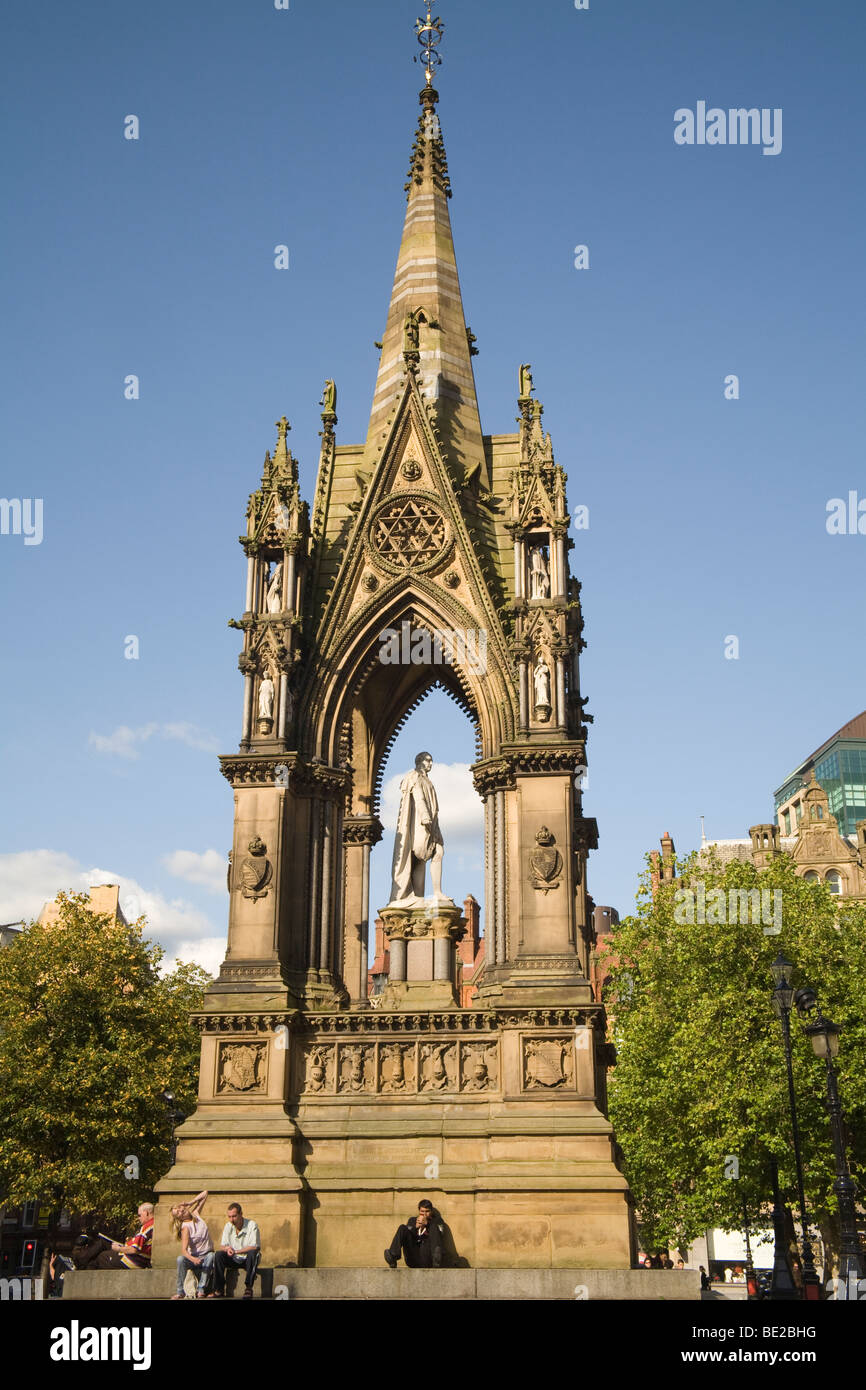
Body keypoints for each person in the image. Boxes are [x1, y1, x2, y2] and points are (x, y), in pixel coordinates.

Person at [211, 1202, 261, 1299]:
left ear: (241, 1214)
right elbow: (222, 1245)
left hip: (248, 1259)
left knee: (253, 1253)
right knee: (218, 1254)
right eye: (229, 1217)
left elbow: (255, 1246)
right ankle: (219, 1289)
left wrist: (237, 1251)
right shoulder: (228, 1226)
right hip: (233, 1259)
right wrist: (227, 1248)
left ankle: (248, 1288)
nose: (231, 1219)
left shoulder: (252, 1225)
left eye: (234, 1216)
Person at [171, 1190, 213, 1300]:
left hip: (206, 1256)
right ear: (179, 1218)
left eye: (180, 1208)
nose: (181, 1211)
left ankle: (201, 1289)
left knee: (211, 1256)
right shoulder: (185, 1227)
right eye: (178, 1212)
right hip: (193, 1258)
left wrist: (191, 1202)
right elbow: (184, 1251)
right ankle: (180, 1291)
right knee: (180, 1259)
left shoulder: (196, 1214)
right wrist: (193, 1259)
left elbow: (205, 1193)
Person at [384, 1200, 442, 1269]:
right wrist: (415, 1228)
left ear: (431, 1211)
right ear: (419, 1211)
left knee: (434, 1227)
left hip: (428, 1258)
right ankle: (393, 1257)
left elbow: (440, 1234)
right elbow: (408, 1237)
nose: (424, 1214)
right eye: (422, 1211)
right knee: (402, 1227)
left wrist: (428, 1224)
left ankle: (436, 1261)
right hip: (413, 1258)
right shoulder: (412, 1220)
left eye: (427, 1211)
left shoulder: (436, 1222)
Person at [110, 1202, 154, 1270]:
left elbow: (134, 1249)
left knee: (101, 1257)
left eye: (139, 1215)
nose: (138, 1218)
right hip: (139, 1259)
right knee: (102, 1244)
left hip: (133, 1261)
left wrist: (119, 1249)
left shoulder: (148, 1227)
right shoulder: (155, 1224)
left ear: (146, 1213)